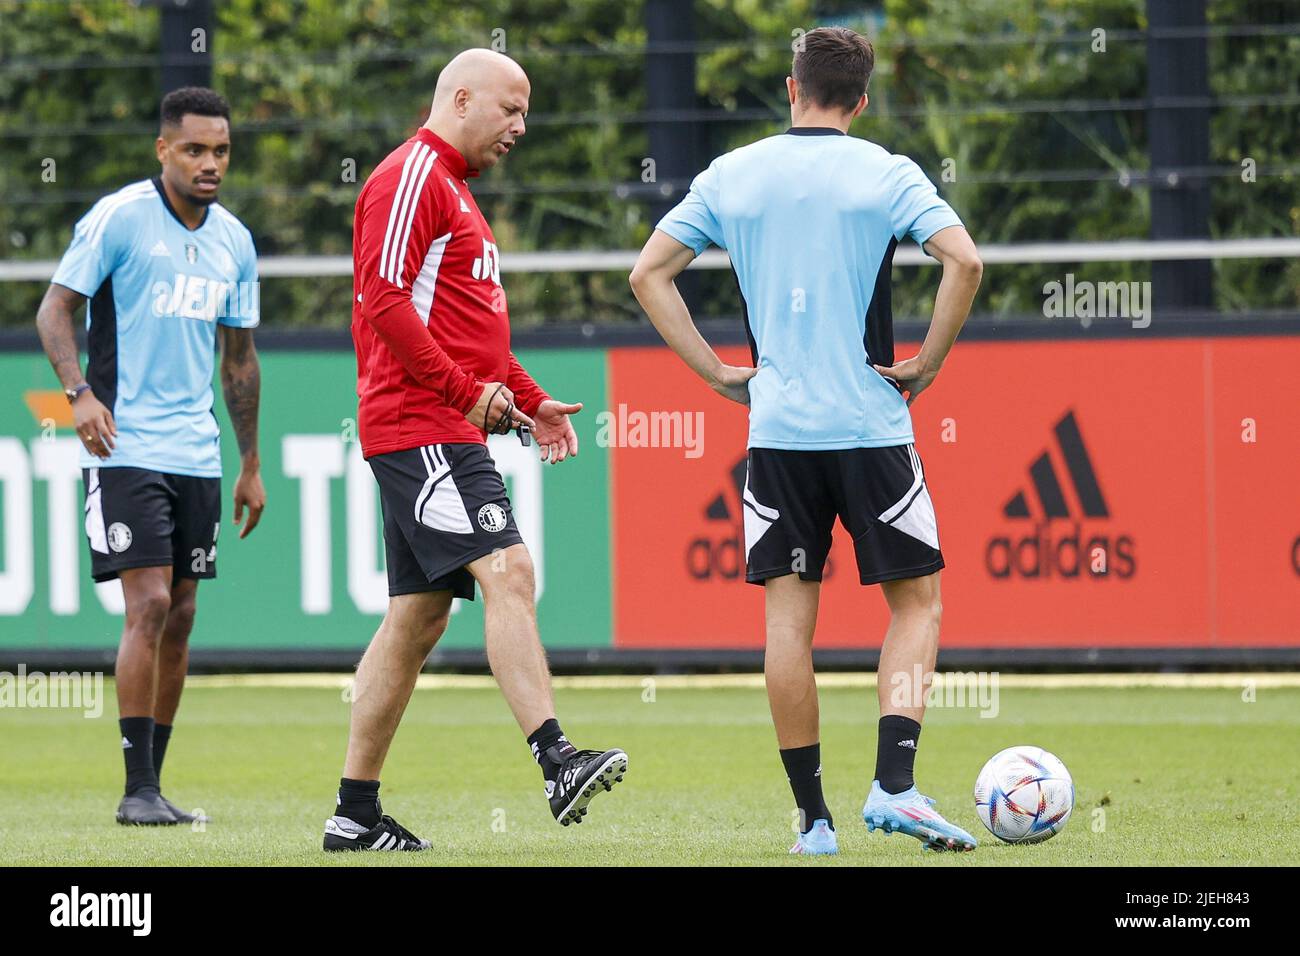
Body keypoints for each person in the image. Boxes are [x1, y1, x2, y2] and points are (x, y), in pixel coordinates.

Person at [630, 27, 984, 855]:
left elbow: (648, 274)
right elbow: (963, 262)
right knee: (917, 604)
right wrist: (927, 363)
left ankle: (813, 823)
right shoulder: (887, 172)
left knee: (788, 630)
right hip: (869, 425)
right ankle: (893, 785)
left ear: (792, 88)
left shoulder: (731, 174)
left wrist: (718, 374)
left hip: (778, 435)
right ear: (861, 100)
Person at [323, 49, 627, 852]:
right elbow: (380, 300)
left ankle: (354, 812)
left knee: (414, 622)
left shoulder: (451, 189)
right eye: (511, 109)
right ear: (460, 98)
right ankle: (558, 759)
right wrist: (465, 394)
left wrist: (528, 400)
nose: (521, 127)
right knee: (510, 570)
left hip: (438, 421)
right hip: (422, 423)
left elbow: (473, 331)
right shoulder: (412, 176)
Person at [35, 87, 266, 826]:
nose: (210, 164)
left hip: (196, 453)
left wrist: (251, 462)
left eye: (221, 151)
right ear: (163, 149)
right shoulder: (119, 219)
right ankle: (135, 791)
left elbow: (240, 359)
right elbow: (54, 308)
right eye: (195, 150)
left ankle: (153, 787)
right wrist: (77, 393)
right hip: (124, 444)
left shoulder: (234, 239)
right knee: (152, 602)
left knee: (185, 612)